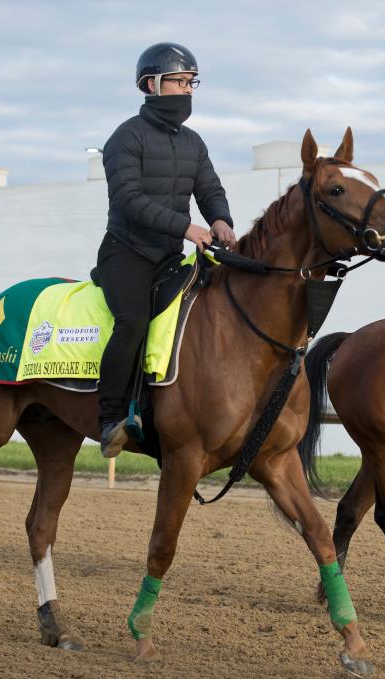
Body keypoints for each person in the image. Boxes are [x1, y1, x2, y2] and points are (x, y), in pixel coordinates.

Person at [96, 42, 236, 458]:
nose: (187, 90)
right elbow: (129, 201)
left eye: (192, 82)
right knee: (134, 320)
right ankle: (110, 418)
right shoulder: (124, 138)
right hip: (126, 253)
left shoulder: (193, 142)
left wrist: (220, 219)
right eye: (179, 81)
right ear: (151, 85)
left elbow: (209, 188)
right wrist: (187, 227)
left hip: (168, 257)